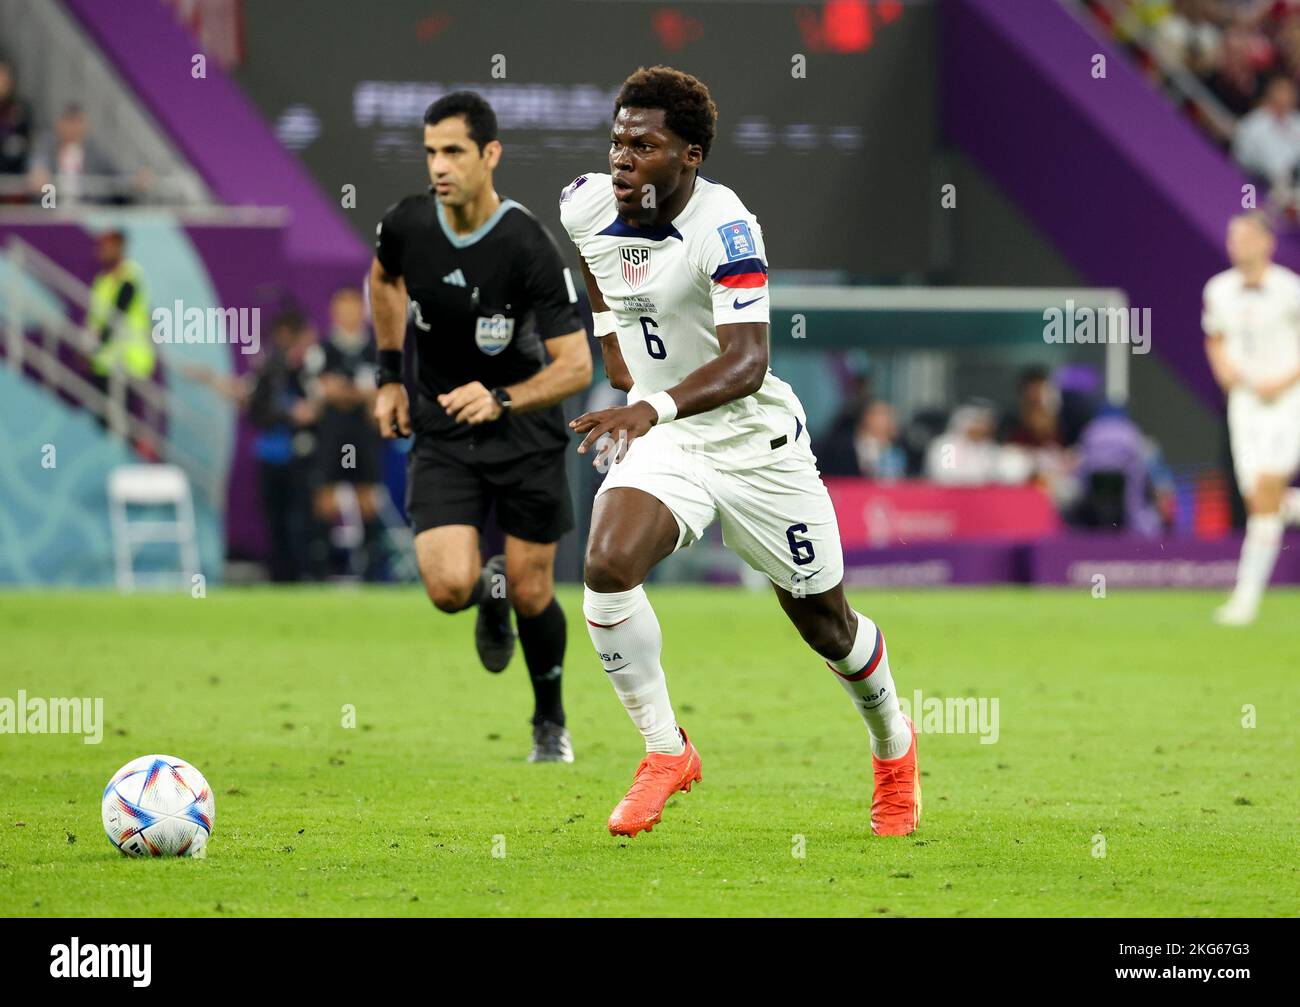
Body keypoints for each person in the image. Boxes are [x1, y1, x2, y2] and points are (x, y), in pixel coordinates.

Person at [562, 66, 919, 839]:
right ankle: (666, 751)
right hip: (669, 437)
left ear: (690, 157)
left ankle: (893, 745)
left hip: (755, 442)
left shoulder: (728, 229)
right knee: (606, 565)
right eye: (618, 141)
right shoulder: (587, 202)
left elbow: (747, 361)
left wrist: (646, 402)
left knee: (825, 624)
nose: (623, 159)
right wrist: (615, 354)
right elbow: (595, 271)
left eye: (645, 145)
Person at [370, 92, 592, 762]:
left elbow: (576, 365)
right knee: (446, 589)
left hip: (522, 432)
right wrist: (387, 376)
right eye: (431, 151)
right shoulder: (406, 225)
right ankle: (485, 590)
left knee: (531, 588)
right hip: (444, 429)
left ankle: (549, 722)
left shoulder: (527, 244)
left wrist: (500, 397)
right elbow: (383, 282)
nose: (439, 165)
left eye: (454, 152)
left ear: (490, 154)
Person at [1203, 211, 1300, 625]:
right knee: (1258, 501)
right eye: (1232, 237)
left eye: (1244, 236)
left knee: (1265, 489)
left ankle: (1244, 601)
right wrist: (1228, 375)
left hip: (1288, 397)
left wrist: (1284, 380)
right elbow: (1216, 338)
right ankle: (1245, 600)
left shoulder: (1290, 289)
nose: (1236, 244)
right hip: (1244, 402)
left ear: (1266, 242)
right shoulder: (1218, 290)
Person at [314, 286, 387, 580]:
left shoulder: (376, 350)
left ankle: (371, 568)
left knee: (367, 496)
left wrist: (349, 392)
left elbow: (376, 393)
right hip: (332, 435)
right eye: (341, 307)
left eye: (353, 307)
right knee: (326, 496)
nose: (347, 313)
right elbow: (322, 391)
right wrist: (355, 392)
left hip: (364, 436)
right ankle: (323, 567)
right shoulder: (322, 349)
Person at [247, 311, 322, 583]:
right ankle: (280, 577)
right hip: (272, 454)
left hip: (302, 455)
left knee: (304, 518)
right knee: (276, 520)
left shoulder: (311, 370)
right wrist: (289, 413)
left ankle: (308, 574)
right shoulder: (269, 369)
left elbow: (322, 412)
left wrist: (312, 413)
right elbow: (256, 410)